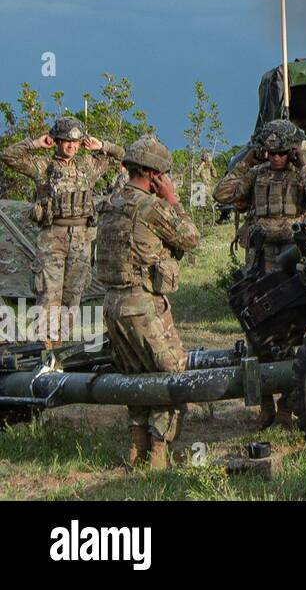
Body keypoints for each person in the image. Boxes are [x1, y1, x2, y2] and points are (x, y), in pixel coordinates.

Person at [95, 135, 200, 469]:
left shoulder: (111, 203)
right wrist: (173, 200)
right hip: (142, 305)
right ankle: (157, 455)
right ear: (154, 175)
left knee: (135, 377)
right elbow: (191, 237)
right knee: (171, 376)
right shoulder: (152, 207)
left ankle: (136, 449)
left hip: (112, 305)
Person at [214, 119, 306, 426]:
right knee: (257, 333)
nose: (277, 159)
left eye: (282, 152)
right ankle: (265, 404)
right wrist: (247, 161)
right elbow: (221, 193)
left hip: (290, 262)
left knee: (293, 331)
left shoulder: (300, 176)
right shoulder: (256, 175)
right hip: (259, 264)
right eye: (270, 153)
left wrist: (303, 165)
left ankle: (287, 404)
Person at [0, 116, 123, 340]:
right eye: (67, 141)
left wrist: (103, 146)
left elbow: (122, 157)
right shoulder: (43, 167)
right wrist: (35, 144)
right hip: (52, 240)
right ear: (56, 140)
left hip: (81, 240)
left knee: (72, 297)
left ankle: (62, 345)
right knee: (49, 296)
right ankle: (43, 349)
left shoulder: (88, 166)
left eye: (76, 142)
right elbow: (8, 156)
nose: (71, 146)